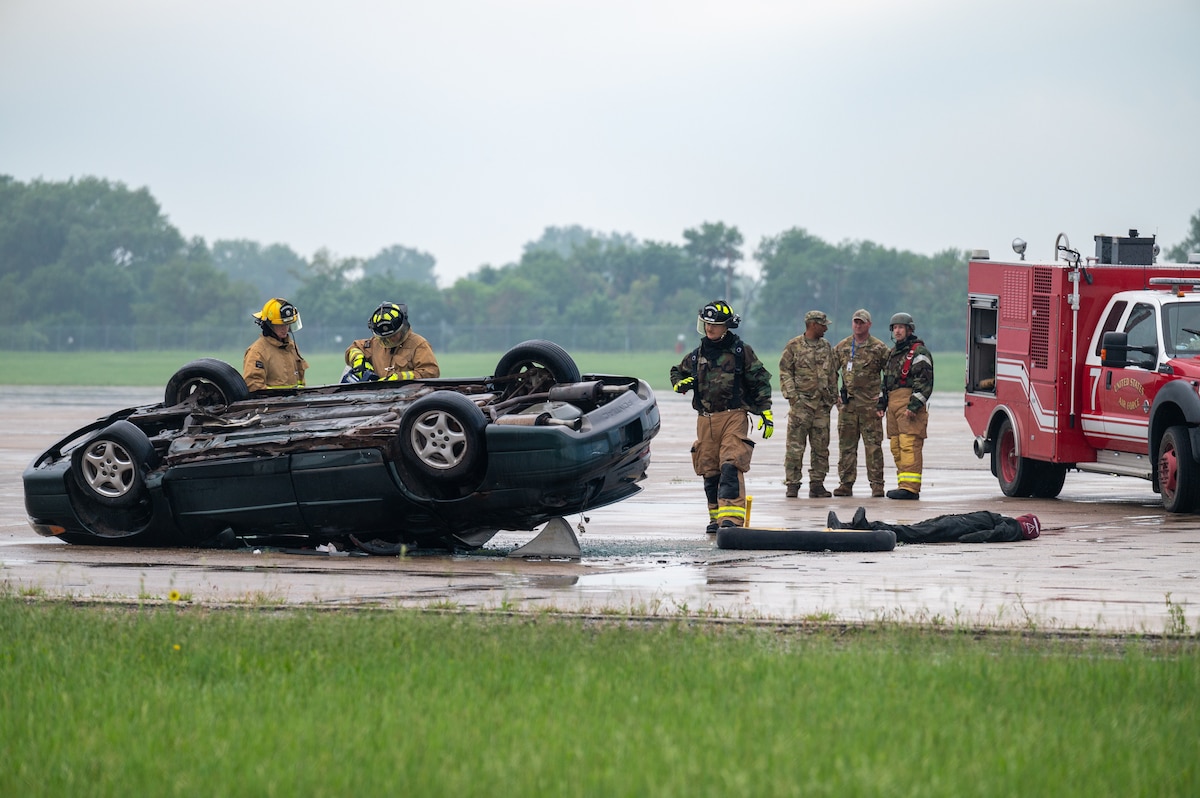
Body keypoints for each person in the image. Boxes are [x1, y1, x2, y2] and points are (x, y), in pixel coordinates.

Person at [670, 299, 774, 533]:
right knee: (710, 470)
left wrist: (765, 411)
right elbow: (677, 370)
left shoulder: (740, 351)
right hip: (705, 419)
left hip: (733, 416)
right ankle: (715, 518)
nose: (709, 328)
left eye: (714, 324)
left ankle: (732, 519)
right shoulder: (697, 355)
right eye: (706, 323)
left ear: (726, 326)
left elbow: (759, 380)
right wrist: (679, 384)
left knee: (730, 464)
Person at [778, 310, 839, 498]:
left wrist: (832, 398)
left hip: (821, 406)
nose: (826, 328)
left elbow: (832, 374)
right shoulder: (794, 346)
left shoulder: (826, 346)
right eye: (823, 325)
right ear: (813, 325)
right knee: (795, 448)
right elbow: (785, 371)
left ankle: (817, 484)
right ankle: (793, 484)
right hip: (801, 405)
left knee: (821, 448)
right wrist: (793, 397)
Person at [832, 309, 890, 498]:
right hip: (848, 407)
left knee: (873, 447)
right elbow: (830, 372)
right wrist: (836, 396)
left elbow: (890, 375)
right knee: (846, 446)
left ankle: (877, 485)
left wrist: (883, 398)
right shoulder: (842, 347)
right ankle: (845, 484)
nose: (858, 325)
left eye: (862, 322)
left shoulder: (879, 348)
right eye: (855, 322)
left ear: (869, 325)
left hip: (870, 407)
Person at [876, 312, 933, 499]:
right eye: (895, 327)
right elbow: (886, 382)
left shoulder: (919, 352)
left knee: (909, 445)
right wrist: (881, 404)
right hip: (893, 404)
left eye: (901, 327)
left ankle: (910, 489)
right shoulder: (892, 353)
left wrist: (914, 406)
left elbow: (924, 382)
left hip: (908, 404)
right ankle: (904, 484)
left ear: (909, 329)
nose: (897, 331)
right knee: (896, 446)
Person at [826, 506, 1041, 543]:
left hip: (958, 527)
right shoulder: (1012, 527)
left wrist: (964, 538)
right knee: (912, 530)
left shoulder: (1013, 527)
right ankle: (850, 526)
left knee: (910, 532)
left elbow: (991, 534)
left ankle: (864, 527)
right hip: (956, 523)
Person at [343, 302, 440, 382]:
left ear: (403, 328)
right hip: (376, 399)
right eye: (384, 338)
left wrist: (398, 378)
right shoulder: (375, 343)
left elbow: (431, 372)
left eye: (393, 336)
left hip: (406, 398)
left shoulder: (418, 344)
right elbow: (354, 348)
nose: (389, 340)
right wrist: (359, 362)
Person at [243, 297, 308, 391]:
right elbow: (254, 386)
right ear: (269, 325)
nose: (285, 329)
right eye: (280, 325)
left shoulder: (292, 347)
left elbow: (301, 382)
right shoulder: (257, 352)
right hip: (272, 405)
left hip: (295, 404)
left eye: (287, 324)